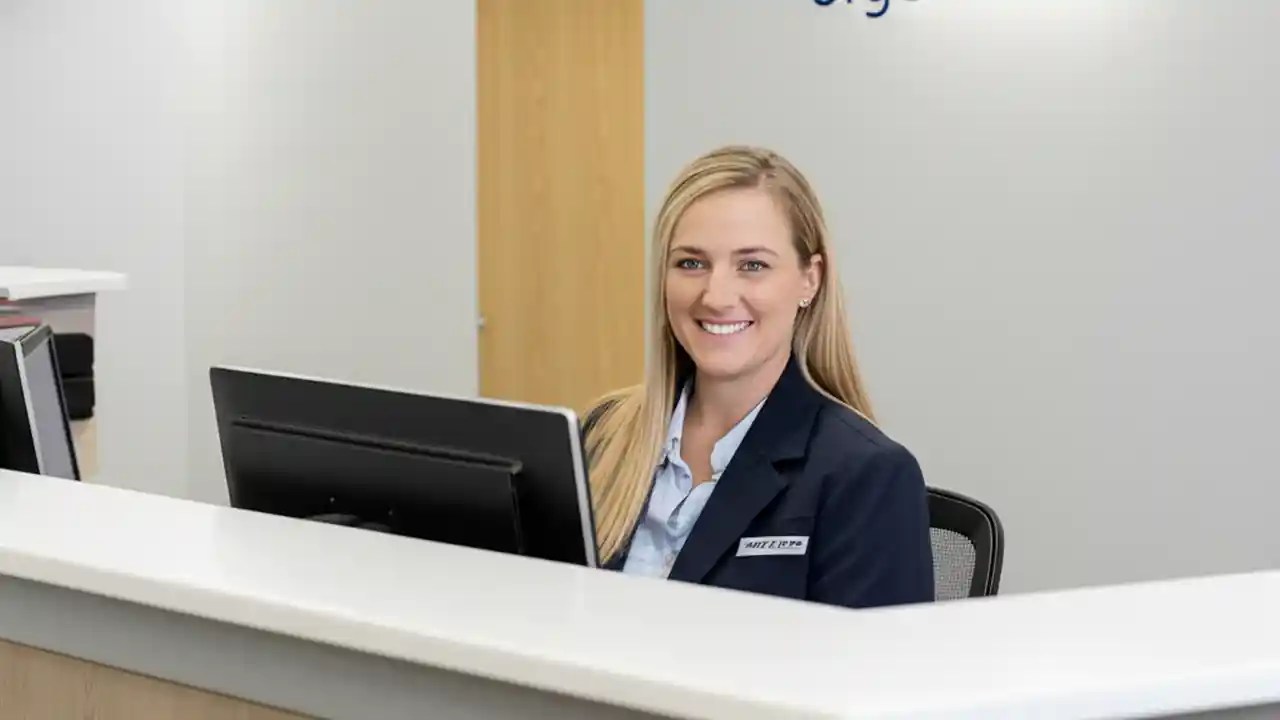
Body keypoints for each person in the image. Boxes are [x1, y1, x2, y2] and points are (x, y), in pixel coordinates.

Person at [582, 145, 934, 609]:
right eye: (691, 263)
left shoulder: (864, 475)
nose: (717, 295)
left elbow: (873, 677)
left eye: (753, 265)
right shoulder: (604, 432)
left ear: (810, 279)